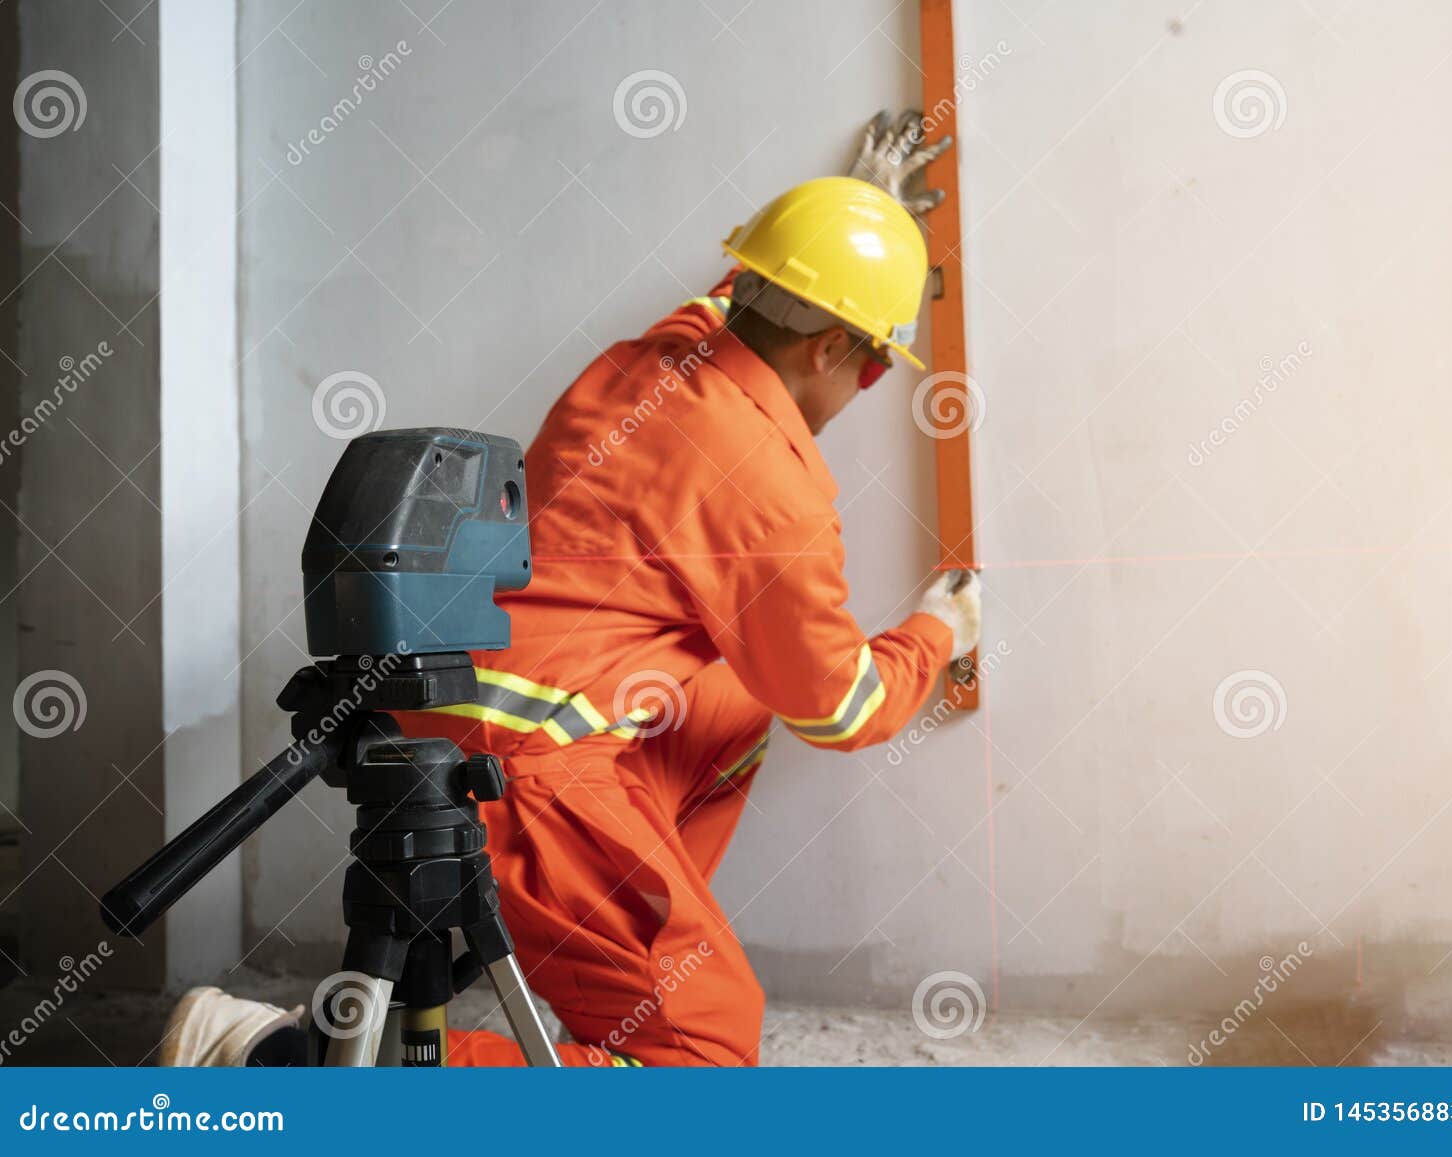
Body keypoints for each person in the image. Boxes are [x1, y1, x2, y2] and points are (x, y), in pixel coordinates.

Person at [159, 110, 981, 1068]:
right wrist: (939, 629)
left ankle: (612, 955)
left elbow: (734, 307)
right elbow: (843, 706)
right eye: (878, 363)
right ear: (831, 350)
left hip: (455, 708)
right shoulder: (774, 492)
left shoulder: (648, 360)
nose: (868, 384)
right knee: (707, 1055)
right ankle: (294, 1058)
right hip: (533, 775)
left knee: (727, 697)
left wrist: (849, 226)